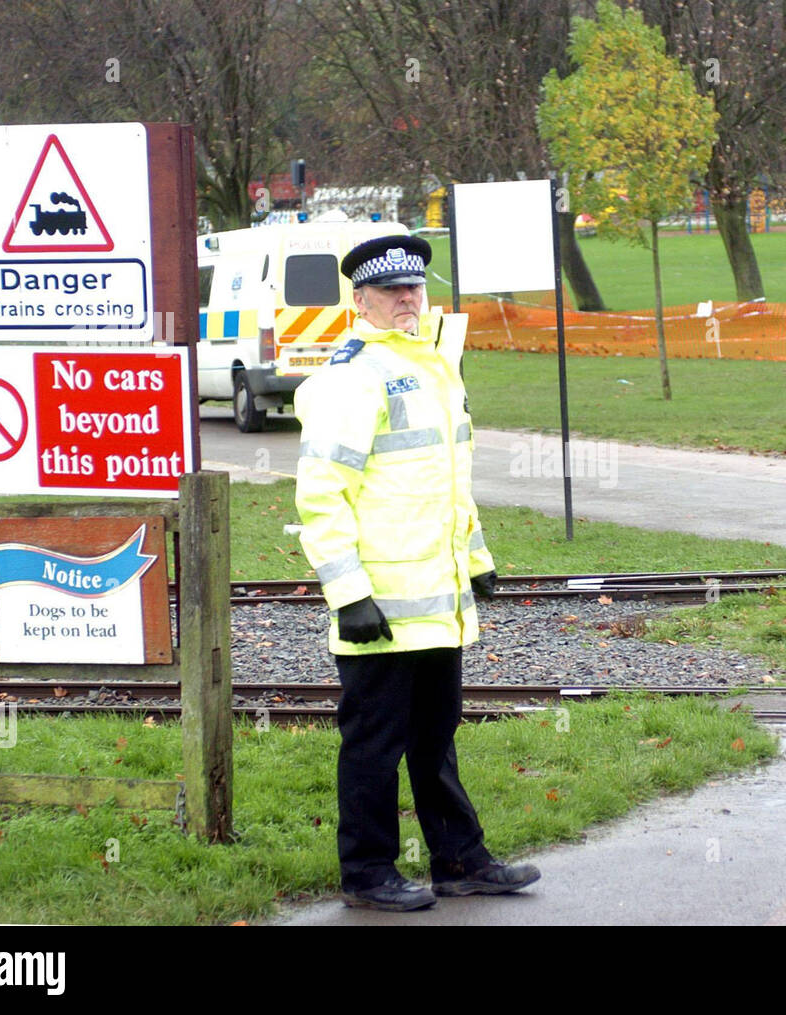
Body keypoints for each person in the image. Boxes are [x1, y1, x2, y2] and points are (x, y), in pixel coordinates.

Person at [294, 233, 541, 912]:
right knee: (373, 746)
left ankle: (459, 860)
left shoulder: (435, 365)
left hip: (435, 603)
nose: (407, 299)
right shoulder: (353, 375)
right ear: (360, 300)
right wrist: (348, 594)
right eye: (391, 290)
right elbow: (322, 494)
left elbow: (449, 483)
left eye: (414, 287)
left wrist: (481, 559)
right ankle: (368, 873)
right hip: (378, 605)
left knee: (435, 738)